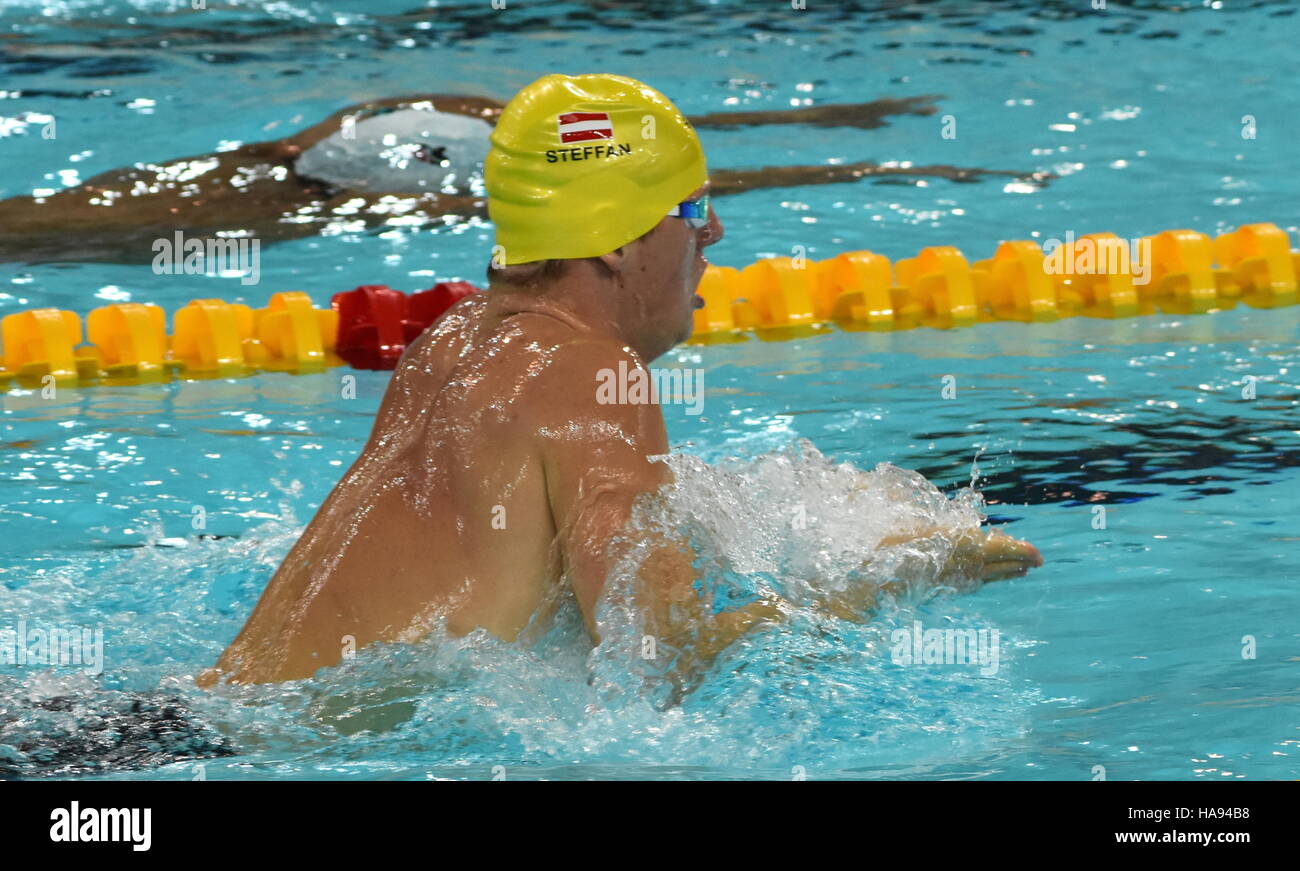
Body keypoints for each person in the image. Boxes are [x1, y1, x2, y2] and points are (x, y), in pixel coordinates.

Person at [199, 73, 1042, 690]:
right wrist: (887, 576)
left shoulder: (453, 340)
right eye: (690, 207)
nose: (712, 230)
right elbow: (658, 665)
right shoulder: (595, 373)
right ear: (612, 240)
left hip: (178, 724)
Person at [0, 90, 1049, 263]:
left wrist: (875, 151)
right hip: (358, 170)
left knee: (52, 222)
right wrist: (882, 156)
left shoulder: (518, 133)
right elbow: (722, 163)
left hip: (351, 157)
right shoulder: (554, 142)